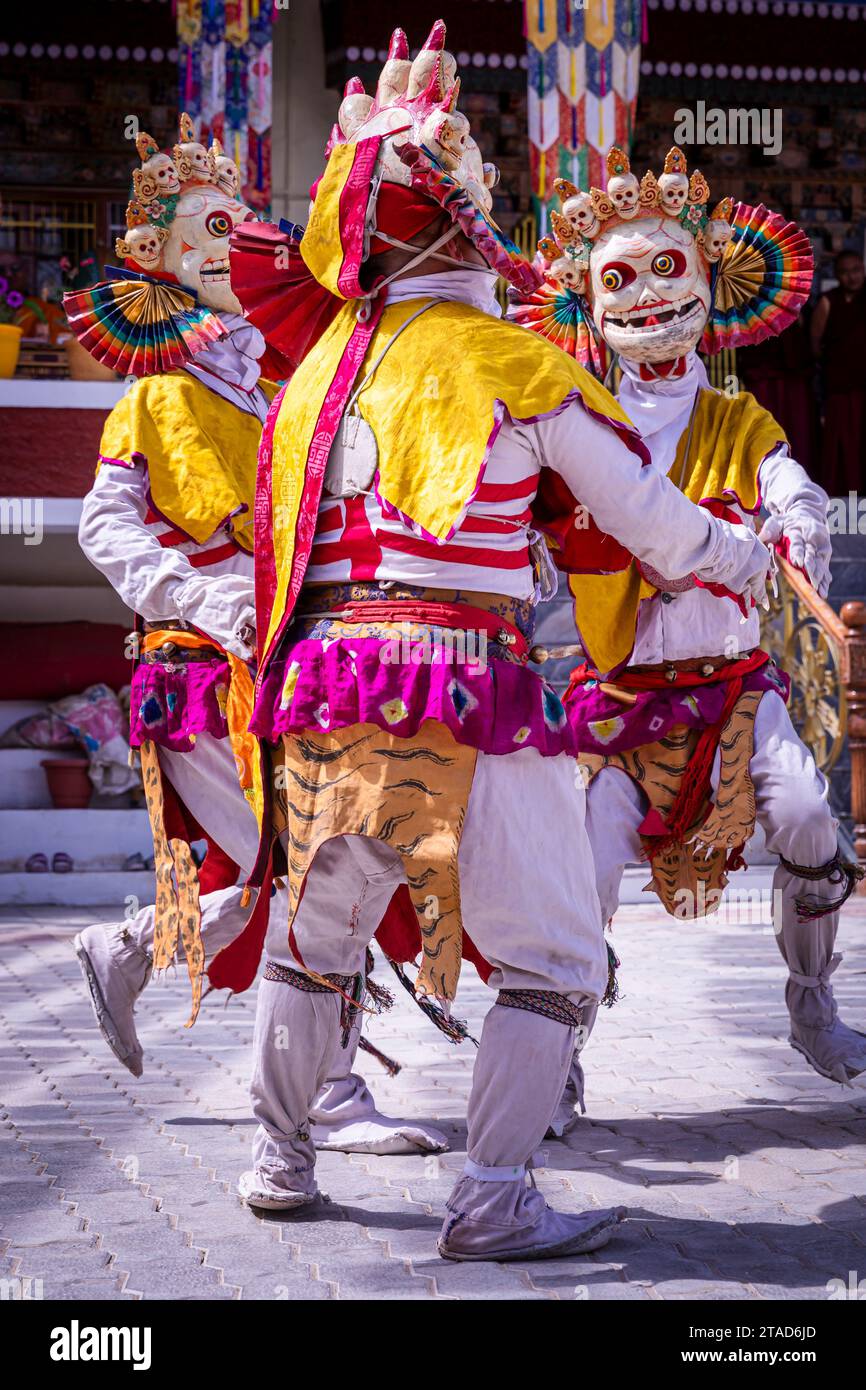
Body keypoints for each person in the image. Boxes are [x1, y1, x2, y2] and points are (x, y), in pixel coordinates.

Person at [227, 24, 771, 1261]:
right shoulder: (503, 357)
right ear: (436, 213)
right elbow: (655, 524)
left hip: (327, 677)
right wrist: (752, 562)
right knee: (555, 951)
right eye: (466, 175)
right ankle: (490, 1200)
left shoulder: (315, 373)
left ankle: (276, 1156)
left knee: (319, 941)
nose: (488, 194)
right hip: (465, 684)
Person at [66, 113, 446, 1158]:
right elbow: (105, 525)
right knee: (310, 871)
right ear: (158, 259)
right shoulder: (153, 397)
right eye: (208, 230)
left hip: (289, 669)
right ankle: (317, 1094)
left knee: (313, 863)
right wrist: (198, 596)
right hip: (199, 675)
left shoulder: (282, 384)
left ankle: (138, 948)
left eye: (242, 226)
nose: (233, 246)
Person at [514, 146, 865, 1129]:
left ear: (708, 285)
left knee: (803, 814)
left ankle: (810, 1000)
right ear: (585, 300)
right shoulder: (575, 422)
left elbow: (792, 497)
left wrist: (777, 533)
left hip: (735, 692)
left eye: (669, 270)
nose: (648, 298)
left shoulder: (731, 416)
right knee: (578, 869)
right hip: (622, 700)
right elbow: (542, 541)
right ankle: (560, 1052)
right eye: (618, 278)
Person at [811, 249, 866, 495]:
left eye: (856, 270)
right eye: (845, 272)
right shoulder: (828, 301)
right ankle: (840, 493)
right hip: (840, 385)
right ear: (836, 275)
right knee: (841, 442)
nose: (852, 277)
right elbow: (815, 341)